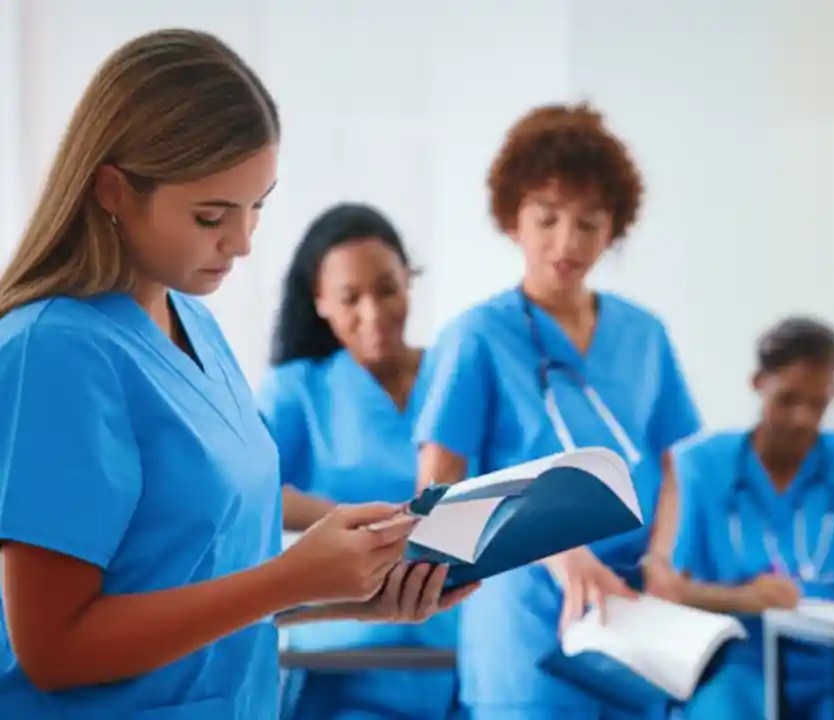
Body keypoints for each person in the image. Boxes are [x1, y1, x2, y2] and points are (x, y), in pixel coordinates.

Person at [0, 29, 472, 719]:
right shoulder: (55, 353)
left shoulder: (194, 324)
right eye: (212, 215)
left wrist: (350, 593)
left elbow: (199, 589)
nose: (245, 242)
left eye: (258, 206)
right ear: (113, 190)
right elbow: (54, 648)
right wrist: (289, 578)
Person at [413, 102, 703, 720]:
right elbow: (437, 494)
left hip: (631, 614)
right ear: (512, 218)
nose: (567, 243)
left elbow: (674, 466)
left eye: (590, 224)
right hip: (521, 625)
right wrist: (555, 549)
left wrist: (661, 560)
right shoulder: (477, 338)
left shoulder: (645, 335)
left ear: (614, 228)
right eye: (547, 219)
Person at [656, 316, 834, 720]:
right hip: (741, 662)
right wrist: (741, 599)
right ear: (758, 383)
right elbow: (668, 590)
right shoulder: (700, 468)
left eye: (818, 403)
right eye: (787, 399)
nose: (802, 418)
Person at [260, 203, 465, 720]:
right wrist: (369, 522)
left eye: (388, 289)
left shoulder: (458, 373)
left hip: (458, 628)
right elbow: (253, 491)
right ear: (320, 302)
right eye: (351, 298)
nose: (373, 314)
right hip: (349, 642)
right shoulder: (297, 390)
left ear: (409, 282)